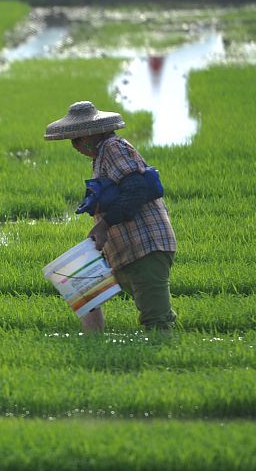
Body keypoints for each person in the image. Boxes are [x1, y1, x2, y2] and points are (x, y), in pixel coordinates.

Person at [45, 101, 177, 332]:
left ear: (91, 135)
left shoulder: (113, 148)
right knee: (81, 286)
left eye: (76, 139)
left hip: (145, 246)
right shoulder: (102, 155)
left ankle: (164, 353)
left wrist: (104, 225)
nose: (74, 146)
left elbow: (136, 189)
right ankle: (94, 344)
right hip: (126, 249)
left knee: (157, 321)